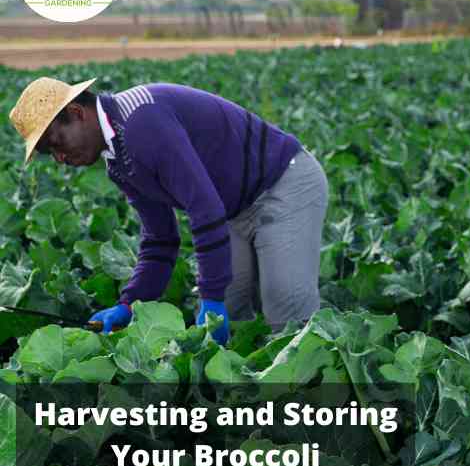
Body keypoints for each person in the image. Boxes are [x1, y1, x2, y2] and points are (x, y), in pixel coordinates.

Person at [8, 77, 329, 343]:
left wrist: (210, 296)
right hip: (235, 208)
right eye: (51, 154)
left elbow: (204, 208)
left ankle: (310, 407)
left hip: (283, 183)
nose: (60, 158)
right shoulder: (117, 161)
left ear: (77, 113)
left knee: (285, 309)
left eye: (56, 143)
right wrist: (130, 303)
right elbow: (160, 238)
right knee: (231, 309)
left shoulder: (140, 123)